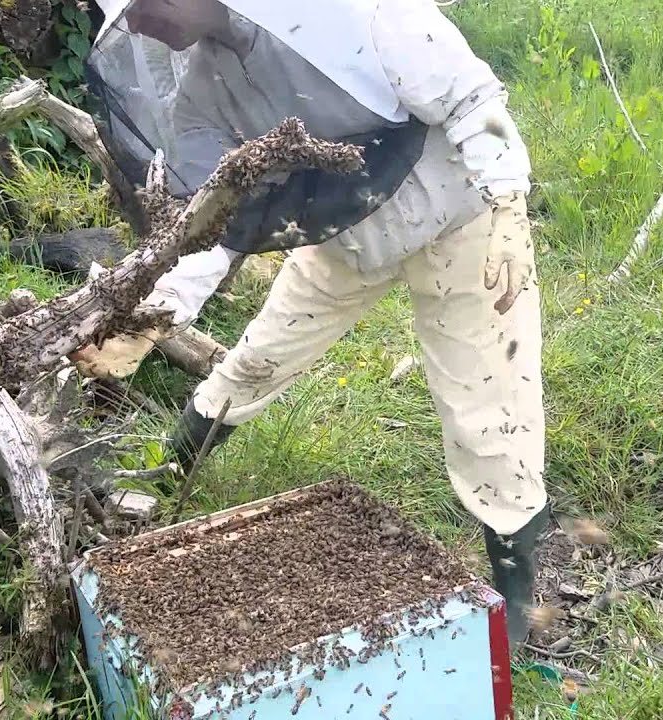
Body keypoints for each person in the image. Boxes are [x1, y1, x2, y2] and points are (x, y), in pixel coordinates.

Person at [80, 0, 548, 646]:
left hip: (459, 213)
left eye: (145, 4)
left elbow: (472, 97)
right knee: (257, 358)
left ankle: (516, 596)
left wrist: (507, 206)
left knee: (489, 407)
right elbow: (207, 227)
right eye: (124, 15)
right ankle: (168, 471)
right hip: (343, 239)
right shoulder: (199, 98)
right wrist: (148, 315)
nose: (138, 24)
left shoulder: (357, 14)